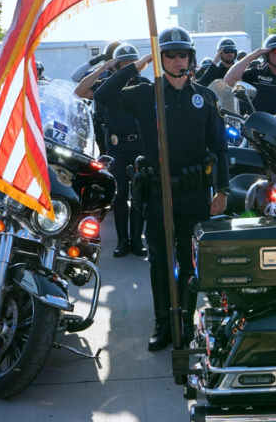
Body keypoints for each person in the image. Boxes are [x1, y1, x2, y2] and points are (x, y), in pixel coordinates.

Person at [93, 27, 229, 351]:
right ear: (161, 58)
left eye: (182, 53)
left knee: (189, 260)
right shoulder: (144, 94)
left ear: (191, 58)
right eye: (169, 53)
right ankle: (164, 324)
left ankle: (185, 323)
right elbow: (102, 96)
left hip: (195, 193)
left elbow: (220, 148)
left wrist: (222, 191)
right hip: (157, 193)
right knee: (160, 262)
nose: (177, 59)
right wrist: (139, 64)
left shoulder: (205, 97)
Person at [76, 44, 148, 257]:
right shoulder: (105, 86)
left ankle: (136, 241)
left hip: (141, 145)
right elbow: (79, 90)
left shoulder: (144, 85)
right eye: (124, 64)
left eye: (131, 63)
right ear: (116, 67)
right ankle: (122, 242)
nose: (129, 67)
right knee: (120, 196)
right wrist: (101, 69)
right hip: (117, 147)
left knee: (139, 195)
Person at [224, 34, 276, 115]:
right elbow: (229, 80)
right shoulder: (256, 74)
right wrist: (252, 56)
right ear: (266, 55)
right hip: (263, 124)